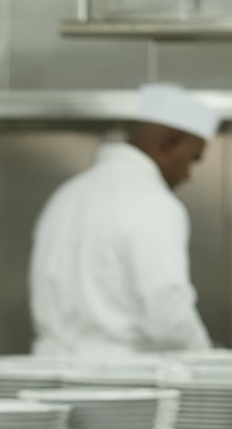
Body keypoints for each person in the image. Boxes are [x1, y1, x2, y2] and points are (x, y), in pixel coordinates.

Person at [28, 82, 221, 360]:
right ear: (169, 145)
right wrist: (208, 360)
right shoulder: (153, 202)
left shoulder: (67, 195)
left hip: (50, 374)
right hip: (120, 379)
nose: (189, 174)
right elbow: (168, 317)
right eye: (192, 158)